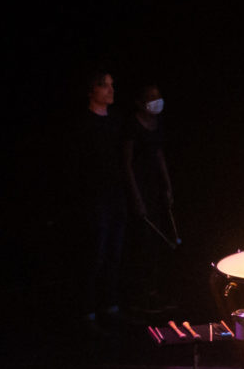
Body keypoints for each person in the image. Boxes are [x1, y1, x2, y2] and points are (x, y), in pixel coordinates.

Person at [76, 70, 126, 327]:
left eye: (111, 85)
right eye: (104, 86)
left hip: (115, 196)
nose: (110, 90)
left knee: (114, 254)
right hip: (95, 199)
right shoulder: (84, 124)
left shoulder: (115, 122)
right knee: (95, 255)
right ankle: (88, 311)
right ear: (92, 91)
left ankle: (111, 305)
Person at [122, 85, 177, 313]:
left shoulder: (157, 123)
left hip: (154, 189)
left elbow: (159, 154)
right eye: (151, 98)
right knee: (142, 244)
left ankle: (153, 293)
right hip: (140, 189)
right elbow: (126, 164)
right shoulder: (132, 126)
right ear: (140, 102)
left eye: (159, 96)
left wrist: (167, 185)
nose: (157, 101)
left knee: (155, 246)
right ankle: (138, 297)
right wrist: (136, 197)